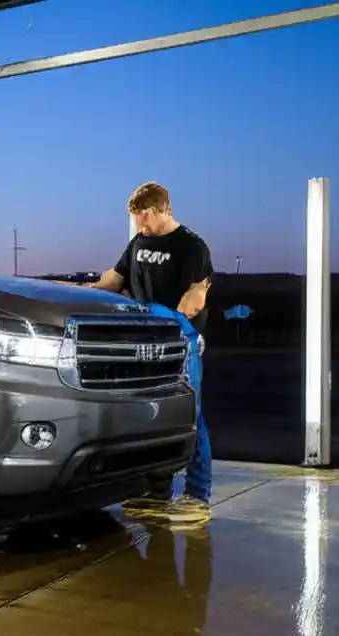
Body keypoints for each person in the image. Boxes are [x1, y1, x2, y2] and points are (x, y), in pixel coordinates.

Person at [90, 182, 214, 523]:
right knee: (151, 414)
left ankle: (196, 496)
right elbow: (114, 280)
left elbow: (194, 302)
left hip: (180, 341)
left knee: (190, 414)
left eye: (146, 219)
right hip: (144, 343)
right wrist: (83, 291)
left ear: (164, 209)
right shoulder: (138, 244)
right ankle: (157, 492)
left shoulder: (192, 247)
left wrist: (164, 318)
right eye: (137, 220)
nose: (141, 227)